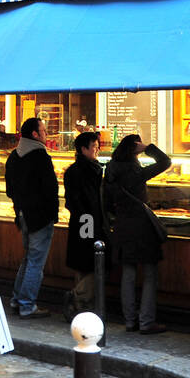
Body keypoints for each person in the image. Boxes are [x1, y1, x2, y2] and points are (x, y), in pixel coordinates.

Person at [103, 135, 172, 334]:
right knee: (150, 273)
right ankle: (146, 321)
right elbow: (166, 161)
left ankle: (130, 321)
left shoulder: (111, 169)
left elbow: (107, 203)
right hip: (142, 227)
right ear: (134, 148)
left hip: (122, 226)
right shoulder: (134, 171)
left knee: (128, 274)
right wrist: (149, 147)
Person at [5, 117, 59, 319]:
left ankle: (16, 300)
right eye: (44, 130)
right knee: (35, 262)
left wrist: (21, 206)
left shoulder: (14, 156)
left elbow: (10, 190)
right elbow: (50, 189)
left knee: (28, 259)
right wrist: (53, 214)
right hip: (40, 217)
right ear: (35, 134)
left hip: (23, 216)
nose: (46, 133)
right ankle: (27, 305)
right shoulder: (40, 156)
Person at [62, 130, 107, 321]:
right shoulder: (89, 171)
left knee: (82, 263)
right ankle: (78, 297)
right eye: (94, 147)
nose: (97, 150)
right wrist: (92, 222)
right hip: (88, 221)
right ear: (83, 149)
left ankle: (82, 306)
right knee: (92, 261)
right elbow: (88, 201)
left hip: (81, 220)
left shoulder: (74, 170)